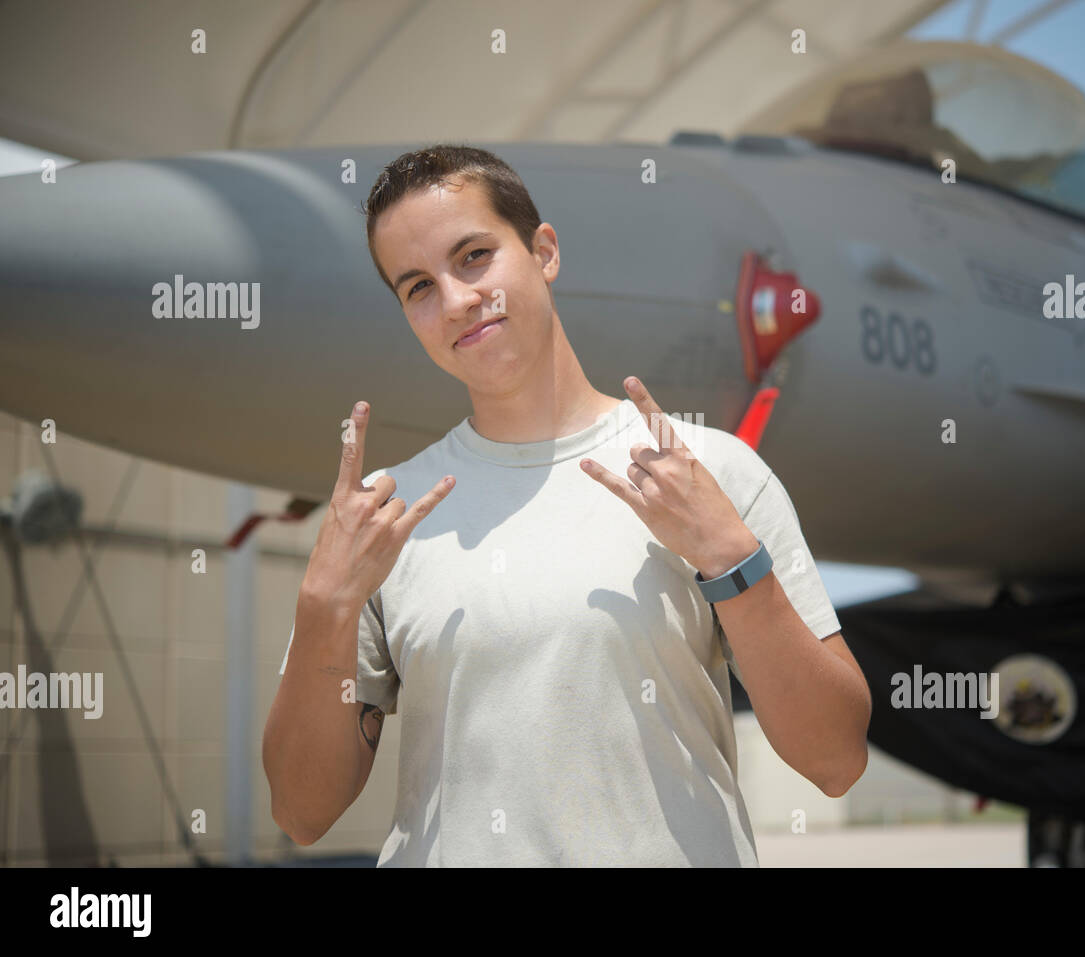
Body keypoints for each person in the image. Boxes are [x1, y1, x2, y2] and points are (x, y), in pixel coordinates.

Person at [262, 145, 871, 866]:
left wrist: (731, 560)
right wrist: (322, 607)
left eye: (474, 255)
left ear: (543, 251)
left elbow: (836, 761)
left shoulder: (709, 472)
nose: (456, 299)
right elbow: (302, 814)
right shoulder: (387, 522)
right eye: (418, 286)